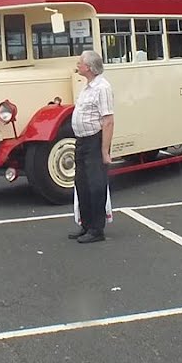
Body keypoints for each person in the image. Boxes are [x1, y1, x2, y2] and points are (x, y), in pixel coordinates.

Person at [68, 50, 114, 243]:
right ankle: (86, 225)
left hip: (94, 141)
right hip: (81, 141)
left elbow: (108, 120)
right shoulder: (87, 87)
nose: (77, 65)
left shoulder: (102, 88)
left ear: (88, 67)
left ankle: (97, 229)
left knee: (96, 185)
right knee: (82, 183)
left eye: (80, 63)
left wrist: (104, 150)